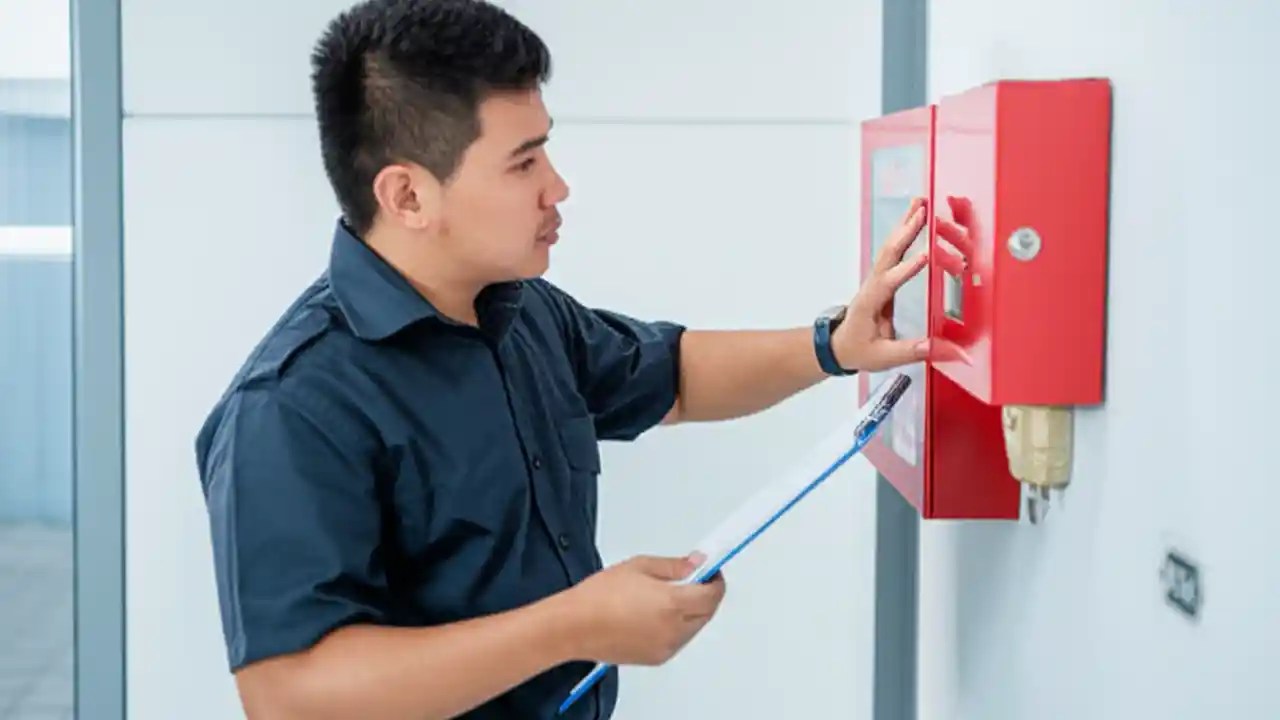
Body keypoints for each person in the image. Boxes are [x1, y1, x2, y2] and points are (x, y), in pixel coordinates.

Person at [193, 0, 929, 718]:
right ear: (408, 194)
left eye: (544, 147)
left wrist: (832, 346)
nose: (558, 186)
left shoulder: (518, 311)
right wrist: (574, 626)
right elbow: (289, 695)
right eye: (523, 164)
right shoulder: (291, 406)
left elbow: (669, 377)